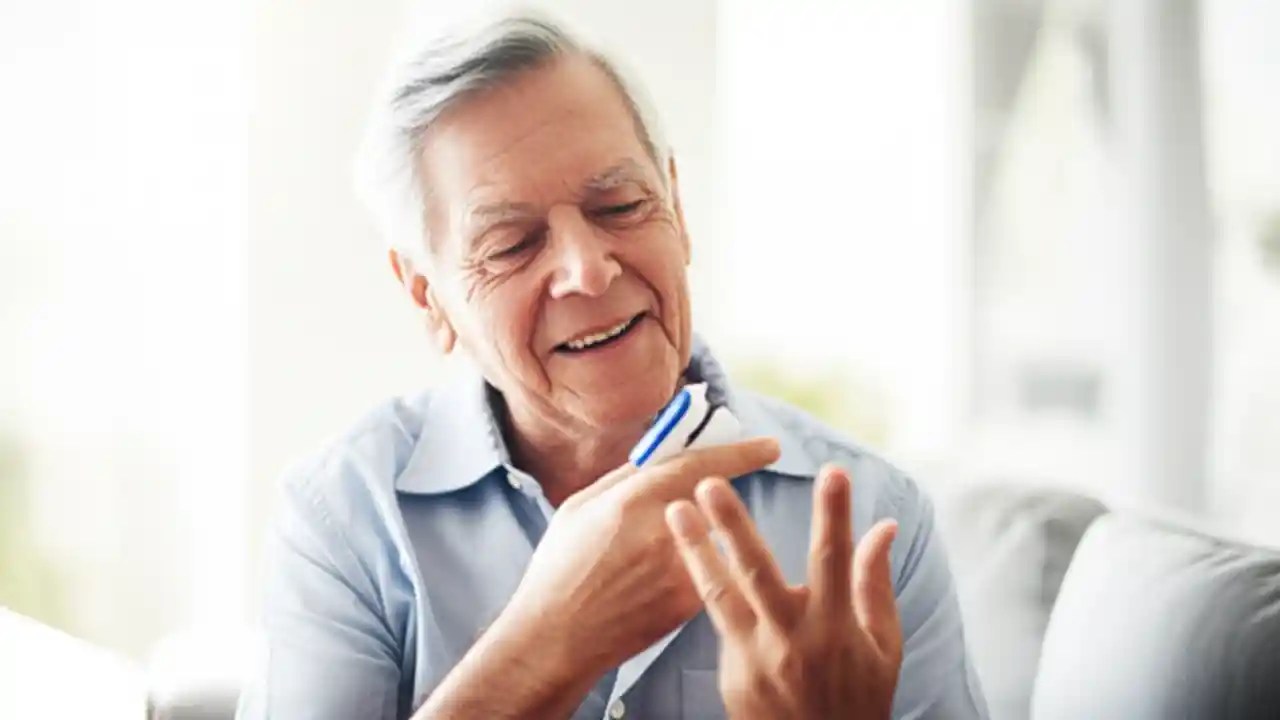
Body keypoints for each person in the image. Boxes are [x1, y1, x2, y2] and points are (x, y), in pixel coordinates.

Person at [237, 7, 988, 719]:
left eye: (620, 206)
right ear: (429, 299)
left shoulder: (873, 523)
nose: (588, 270)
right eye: (512, 245)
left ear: (678, 211)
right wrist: (545, 645)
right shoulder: (345, 521)